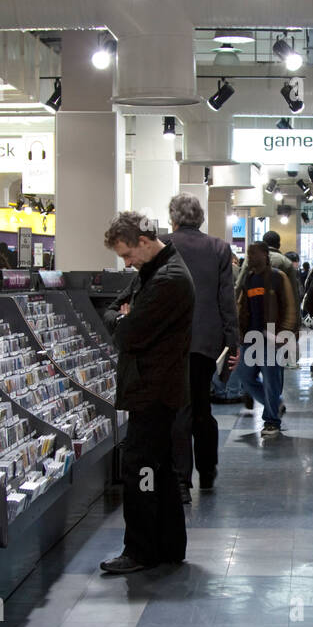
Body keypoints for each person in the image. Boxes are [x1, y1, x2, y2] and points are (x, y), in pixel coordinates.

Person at [98, 212, 195, 575]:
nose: (126, 263)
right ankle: (168, 546)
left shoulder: (168, 279)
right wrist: (122, 317)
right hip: (153, 386)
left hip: (154, 389)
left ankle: (140, 551)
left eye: (127, 254)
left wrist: (124, 319)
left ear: (143, 241)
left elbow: (126, 334)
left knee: (140, 467)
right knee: (159, 468)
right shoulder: (153, 272)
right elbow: (111, 310)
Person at [165, 193, 238, 501]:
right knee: (202, 406)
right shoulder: (219, 248)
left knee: (179, 408)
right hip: (206, 340)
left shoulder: (163, 244)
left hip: (170, 339)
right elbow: (226, 298)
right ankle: (208, 470)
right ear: (201, 218)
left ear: (173, 218)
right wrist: (233, 341)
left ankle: (181, 480)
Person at [236, 242, 297, 437]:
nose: (250, 257)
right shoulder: (249, 279)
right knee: (245, 376)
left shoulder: (278, 277)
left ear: (265, 255)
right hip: (250, 338)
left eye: (253, 254)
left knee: (271, 381)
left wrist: (285, 333)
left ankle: (271, 421)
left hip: (272, 339)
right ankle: (275, 405)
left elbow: (289, 306)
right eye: (248, 254)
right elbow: (241, 306)